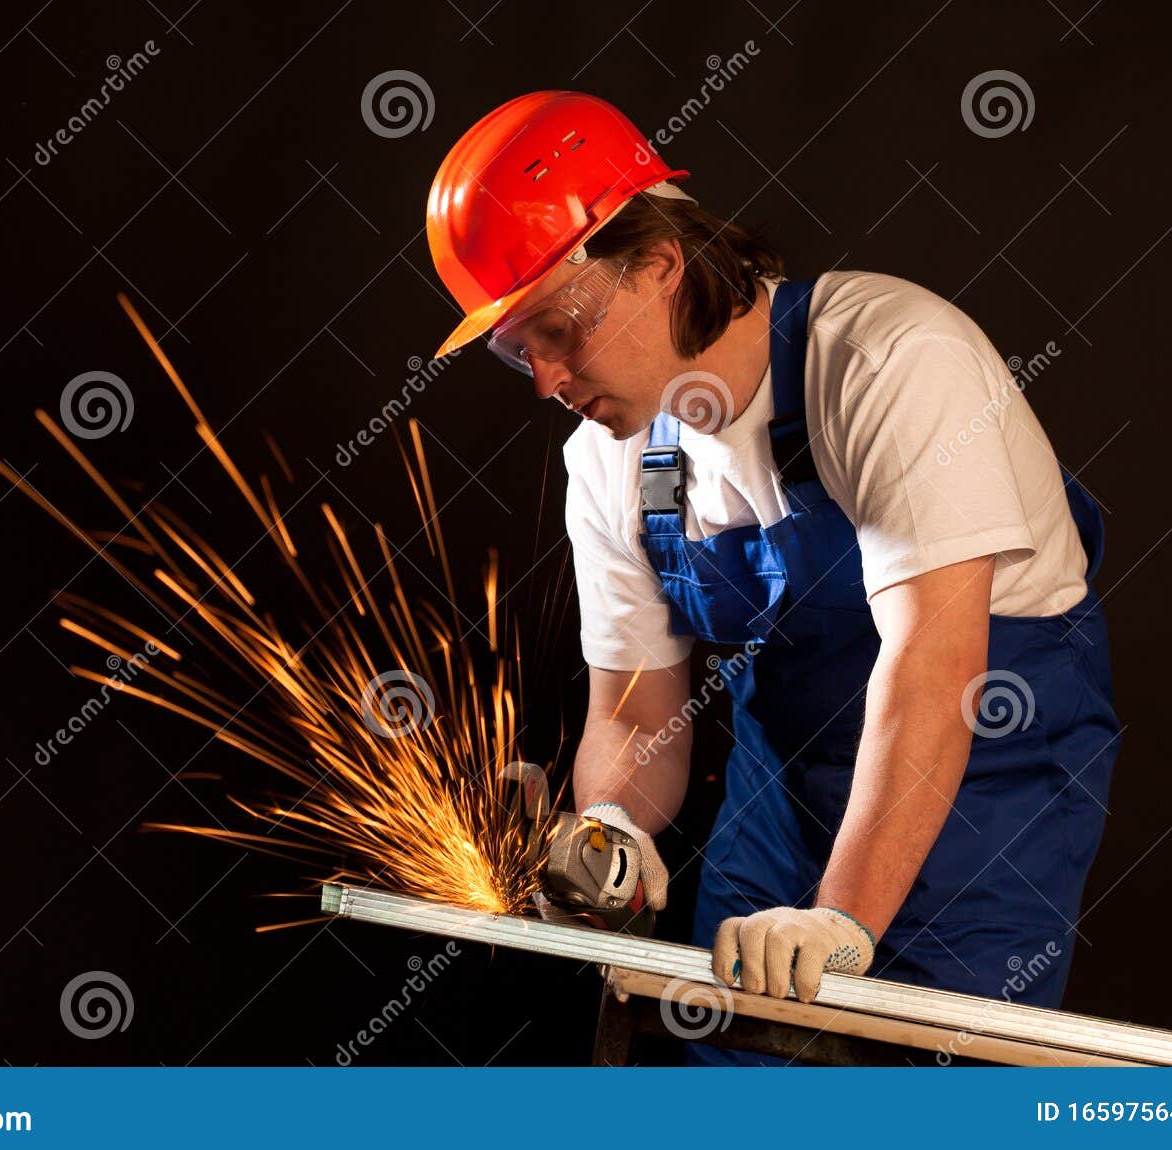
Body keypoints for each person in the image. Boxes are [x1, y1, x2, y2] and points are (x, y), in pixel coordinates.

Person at [425, 90, 1121, 1064]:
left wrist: (838, 919)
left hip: (983, 778)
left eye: (560, 329)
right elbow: (634, 707)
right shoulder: (615, 454)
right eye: (515, 352)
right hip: (782, 777)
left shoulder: (887, 362)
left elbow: (934, 666)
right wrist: (614, 824)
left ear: (658, 264)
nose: (546, 379)